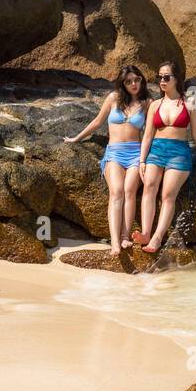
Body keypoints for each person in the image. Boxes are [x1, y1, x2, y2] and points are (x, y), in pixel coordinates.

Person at [65, 66, 149, 255]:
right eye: (128, 81)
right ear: (122, 83)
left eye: (137, 80)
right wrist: (76, 138)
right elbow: (97, 121)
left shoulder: (147, 103)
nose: (133, 84)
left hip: (136, 154)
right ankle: (115, 243)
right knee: (117, 192)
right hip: (114, 153)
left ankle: (125, 237)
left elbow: (154, 129)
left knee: (129, 191)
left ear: (142, 80)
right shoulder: (113, 99)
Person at [136, 62, 196, 254]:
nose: (162, 81)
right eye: (159, 77)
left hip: (179, 153)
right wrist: (142, 160)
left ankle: (157, 238)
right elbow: (147, 135)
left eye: (166, 77)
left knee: (167, 195)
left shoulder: (189, 102)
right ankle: (146, 233)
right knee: (149, 187)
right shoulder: (155, 105)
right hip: (156, 150)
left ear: (176, 79)